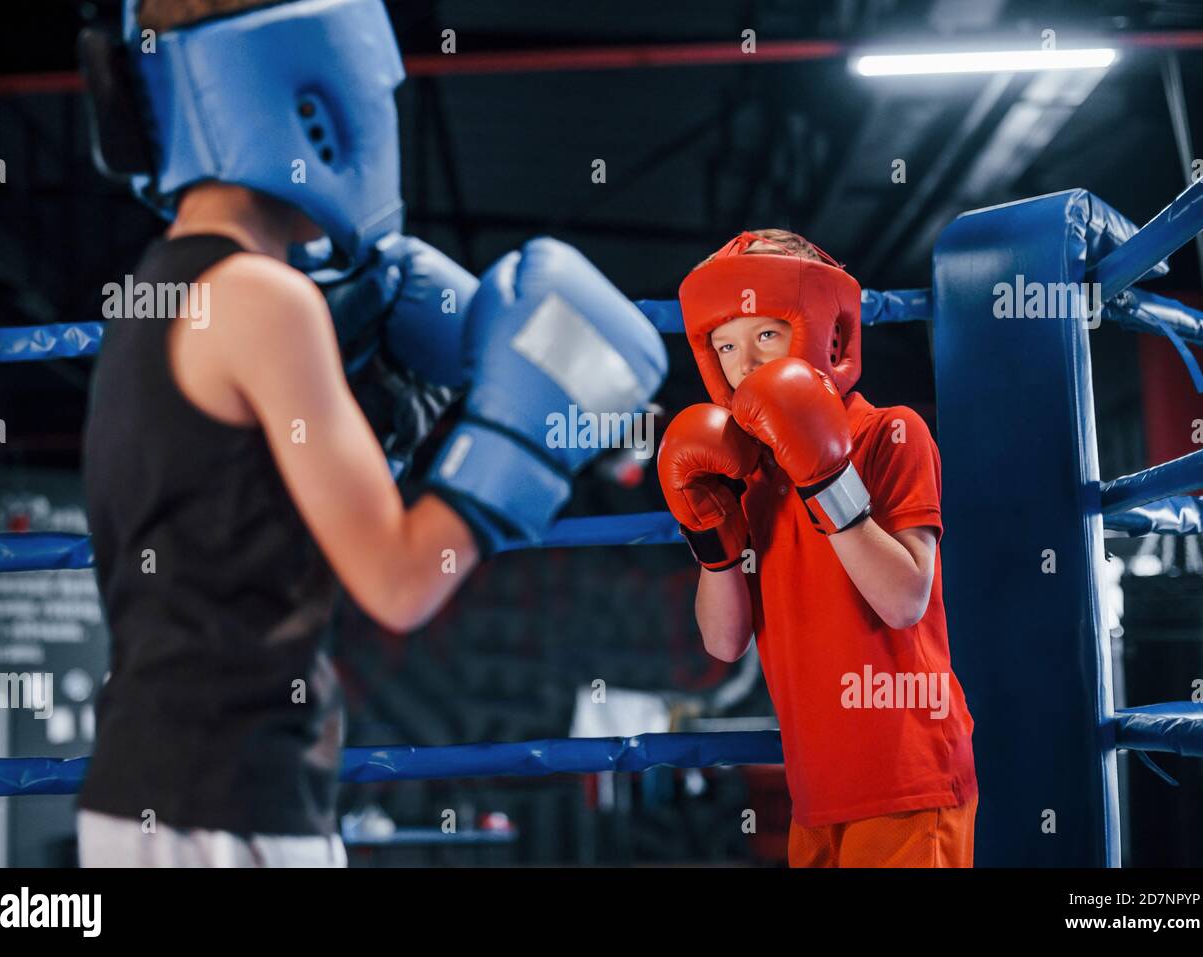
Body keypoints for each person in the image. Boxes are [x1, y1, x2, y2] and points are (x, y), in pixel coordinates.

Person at [75, 0, 666, 867]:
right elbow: (399, 581)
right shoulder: (265, 301)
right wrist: (515, 444)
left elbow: (230, 536)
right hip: (225, 806)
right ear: (314, 86)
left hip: (165, 789)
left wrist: (399, 430)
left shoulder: (164, 293)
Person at [658, 229, 977, 867]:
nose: (745, 364)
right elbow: (724, 642)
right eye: (726, 345)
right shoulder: (740, 475)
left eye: (766, 335)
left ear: (826, 335)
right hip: (816, 790)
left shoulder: (890, 432)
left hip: (906, 776)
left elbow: (905, 599)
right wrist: (709, 536)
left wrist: (827, 479)